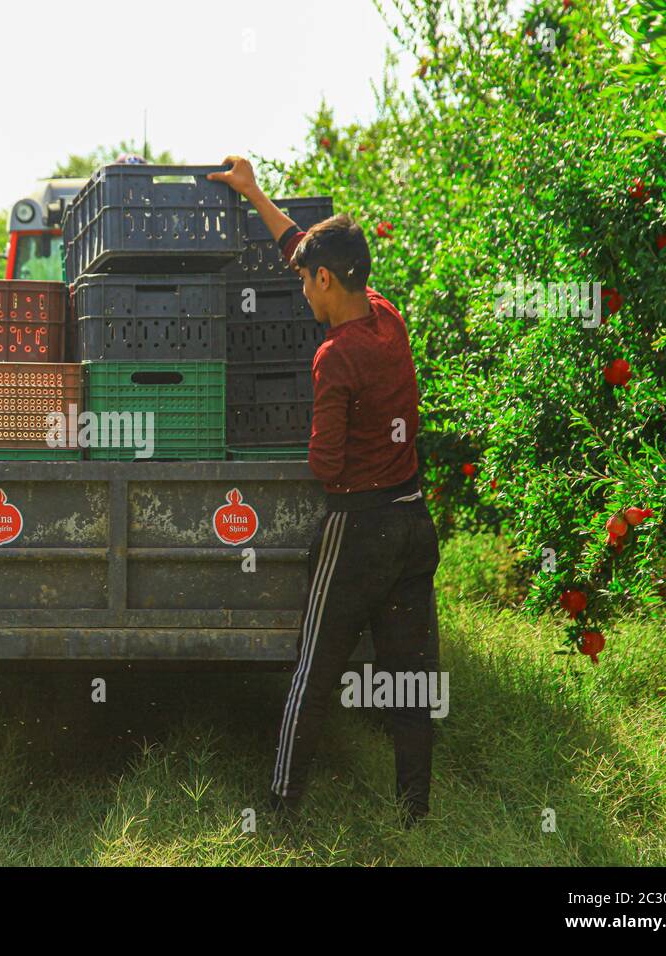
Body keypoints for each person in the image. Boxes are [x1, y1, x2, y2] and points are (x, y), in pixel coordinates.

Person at [209, 157, 442, 826]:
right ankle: (415, 809)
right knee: (408, 674)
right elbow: (302, 250)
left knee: (314, 668)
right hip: (412, 518)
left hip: (361, 526)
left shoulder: (335, 355)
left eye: (308, 284)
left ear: (328, 281)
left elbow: (325, 464)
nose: (301, 293)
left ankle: (282, 809)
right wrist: (254, 191)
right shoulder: (386, 315)